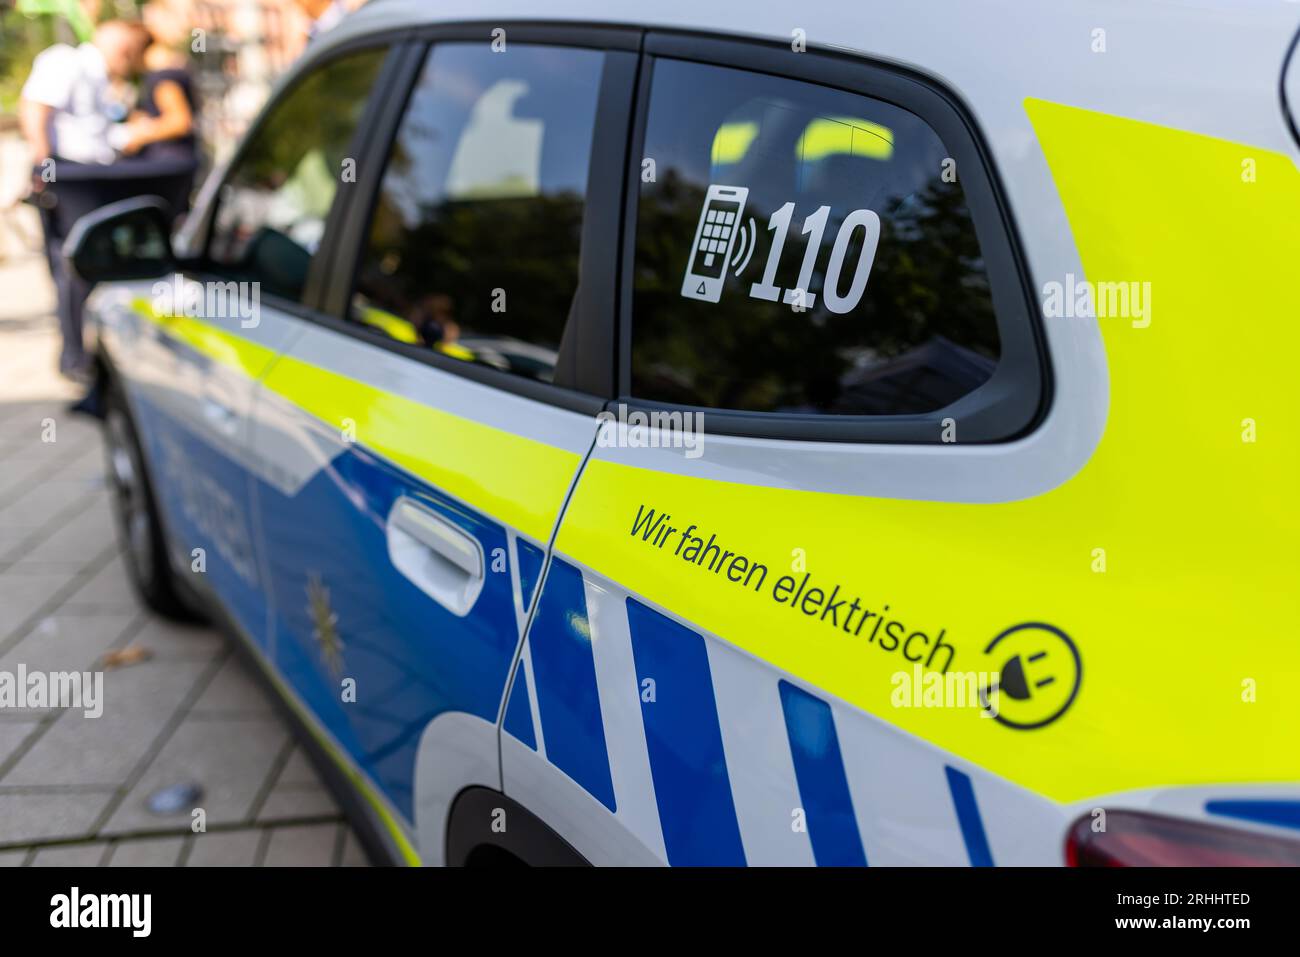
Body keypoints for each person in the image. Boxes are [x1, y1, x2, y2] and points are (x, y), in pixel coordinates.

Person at [18, 20, 151, 380]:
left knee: (84, 267)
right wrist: (43, 170)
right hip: (68, 177)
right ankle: (74, 358)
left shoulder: (94, 74)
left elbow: (92, 131)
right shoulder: (67, 61)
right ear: (124, 51)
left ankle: (84, 353)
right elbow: (35, 109)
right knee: (72, 267)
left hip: (82, 175)